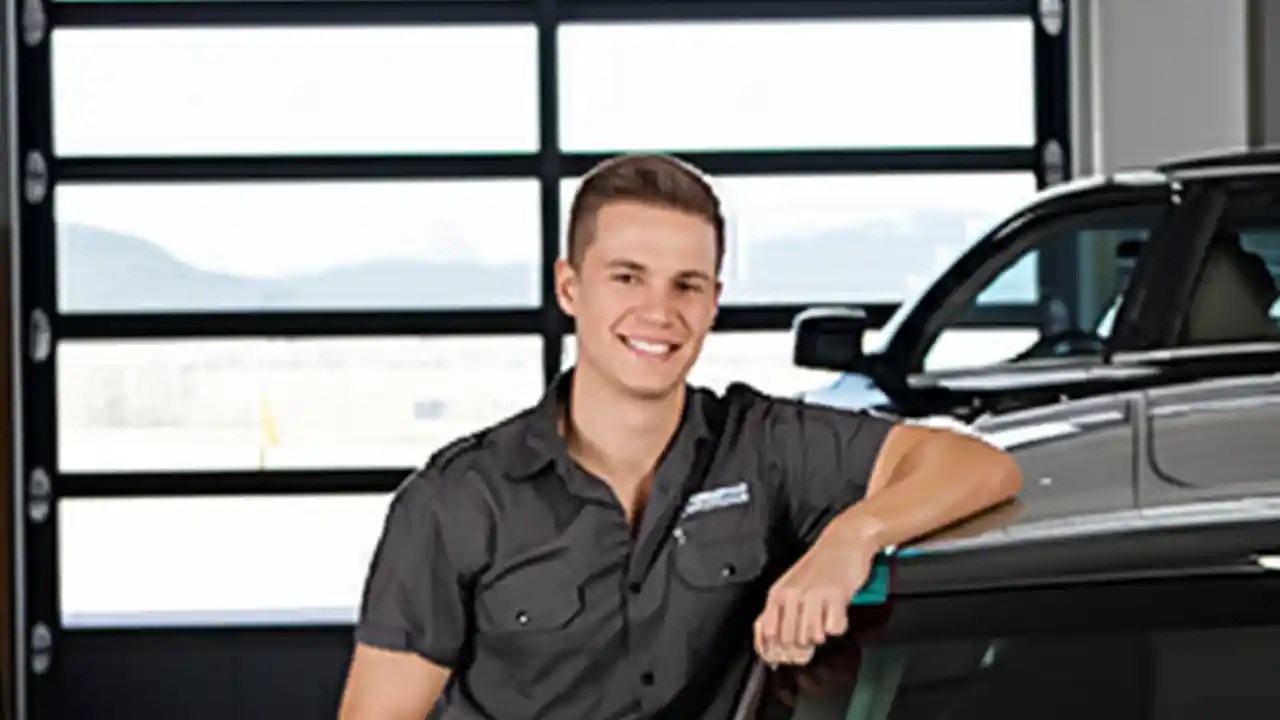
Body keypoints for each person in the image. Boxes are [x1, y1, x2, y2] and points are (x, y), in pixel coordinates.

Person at [337, 154, 1023, 720]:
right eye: (628, 277)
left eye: (686, 285)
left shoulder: (763, 448)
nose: (659, 313)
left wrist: (851, 538)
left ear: (714, 302)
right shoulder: (457, 501)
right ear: (570, 287)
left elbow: (978, 466)